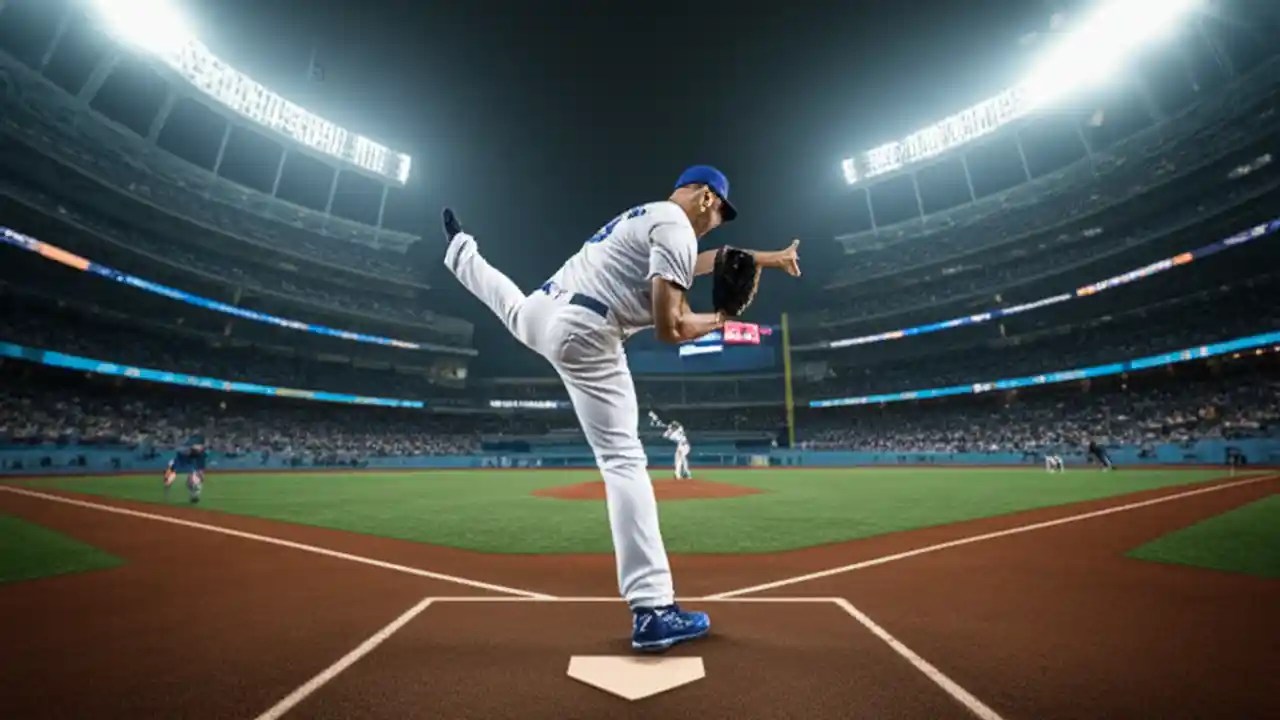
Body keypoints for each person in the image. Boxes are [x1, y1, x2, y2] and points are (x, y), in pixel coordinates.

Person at [443, 165, 800, 652]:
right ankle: (653, 609)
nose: (719, 220)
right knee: (623, 461)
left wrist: (771, 259)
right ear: (704, 197)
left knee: (511, 308)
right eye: (720, 209)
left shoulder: (650, 219)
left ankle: (461, 252)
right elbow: (670, 328)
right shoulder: (676, 229)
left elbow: (714, 259)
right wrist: (719, 319)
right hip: (587, 330)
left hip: (546, 309)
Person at [164, 434, 207, 503]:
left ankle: (194, 494)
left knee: (192, 480)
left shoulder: (201, 454)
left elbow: (200, 467)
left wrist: (200, 474)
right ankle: (193, 493)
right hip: (182, 463)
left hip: (189, 464)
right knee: (171, 478)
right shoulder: (183, 451)